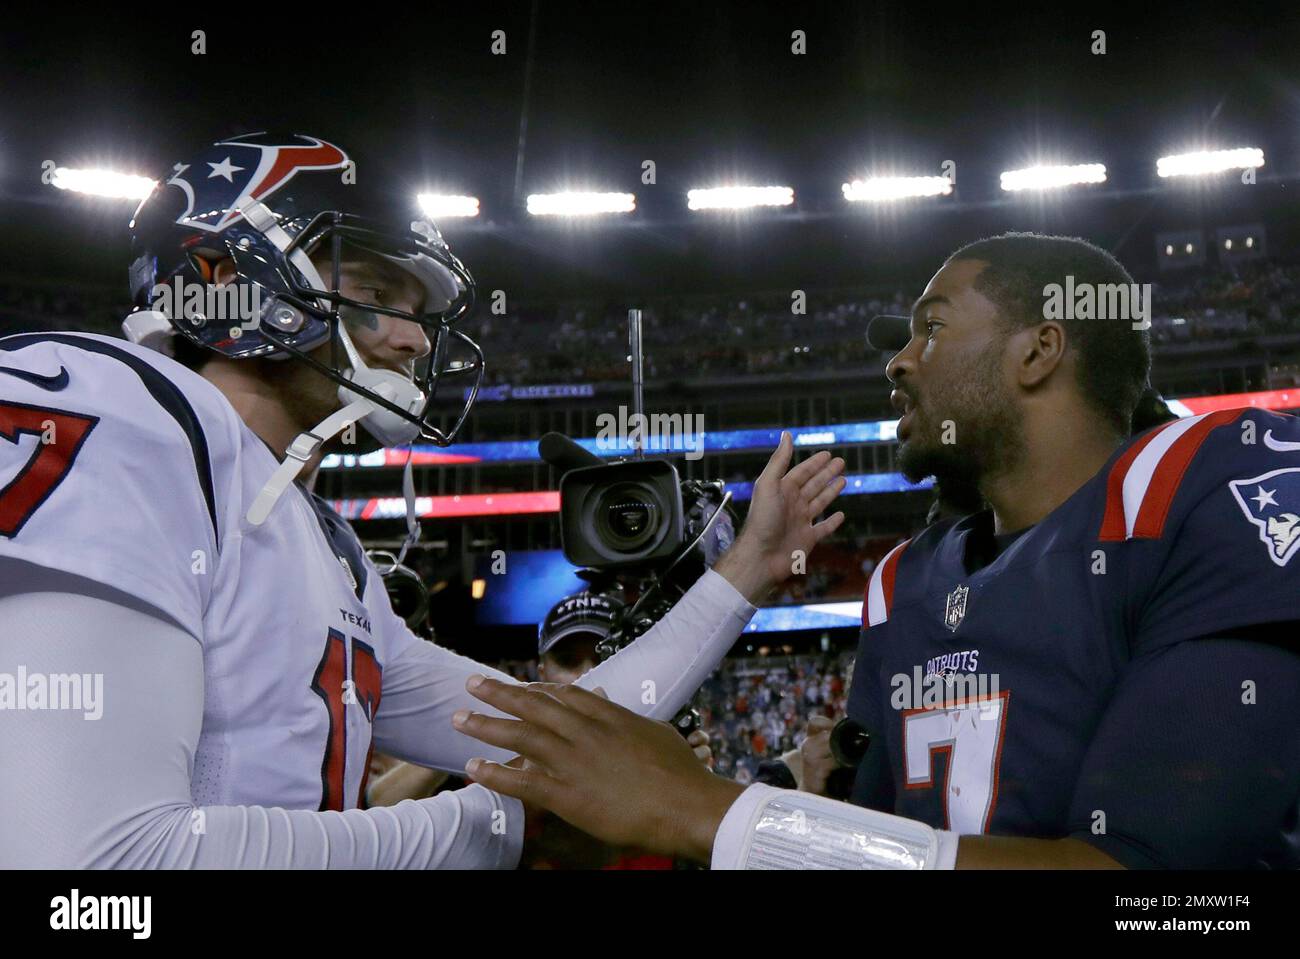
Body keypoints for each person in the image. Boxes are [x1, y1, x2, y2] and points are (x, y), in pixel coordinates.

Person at [0, 132, 846, 868]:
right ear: (232, 279)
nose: (410, 337)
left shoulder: (325, 547)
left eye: (414, 312)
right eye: (373, 294)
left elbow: (565, 729)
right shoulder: (124, 417)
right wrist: (494, 827)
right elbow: (92, 879)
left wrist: (745, 572)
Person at [452, 233, 1300, 869]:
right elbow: (856, 845)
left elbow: (1171, 904)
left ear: (1040, 350)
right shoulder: (907, 579)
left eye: (931, 327)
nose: (899, 362)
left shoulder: (1198, 485)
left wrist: (707, 811)